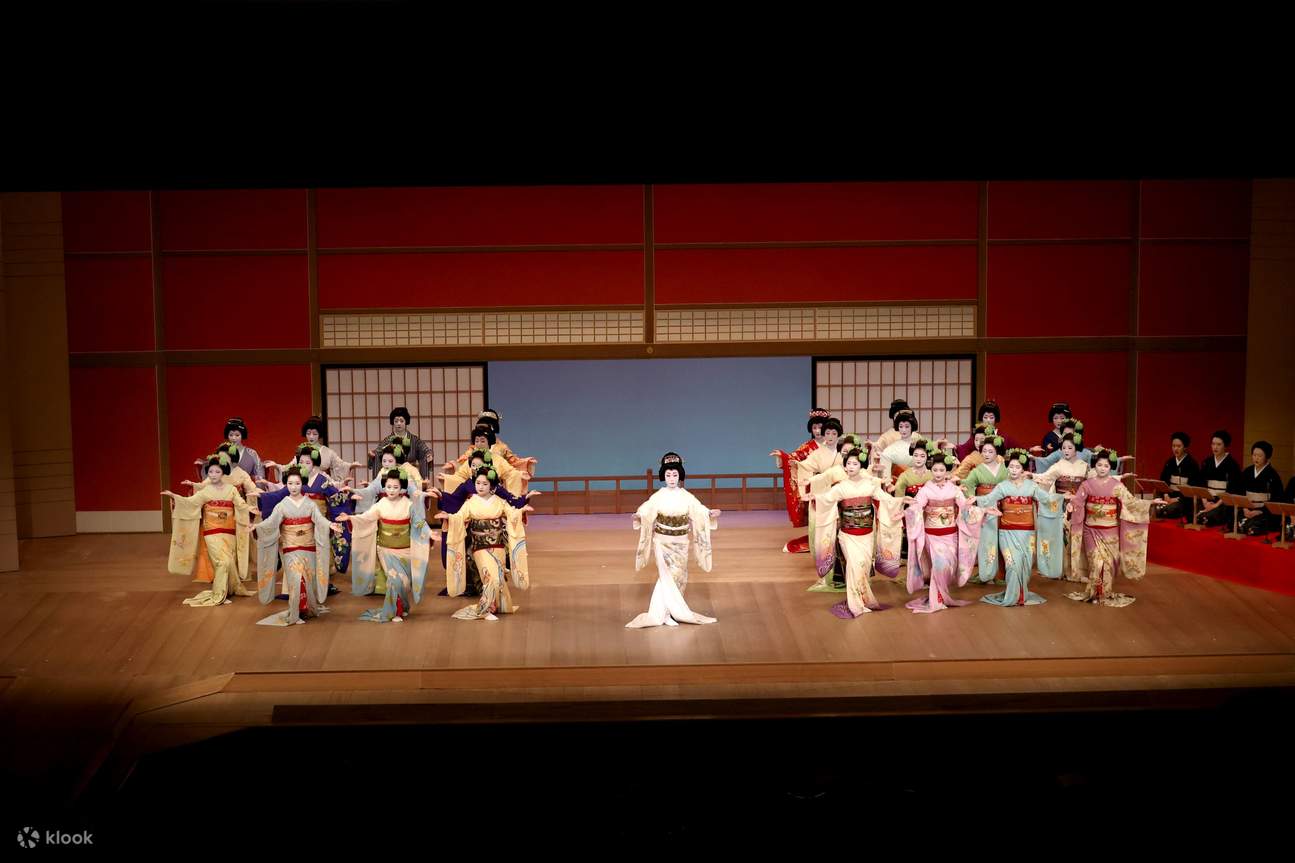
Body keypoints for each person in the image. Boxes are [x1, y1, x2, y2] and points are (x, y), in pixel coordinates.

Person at [626, 453, 721, 628]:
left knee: (680, 576)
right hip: (662, 542)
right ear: (663, 476)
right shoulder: (659, 496)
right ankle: (664, 613)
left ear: (680, 476)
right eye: (668, 475)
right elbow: (647, 509)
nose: (671, 478)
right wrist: (639, 515)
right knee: (667, 576)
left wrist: (708, 513)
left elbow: (698, 509)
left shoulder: (686, 496)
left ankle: (670, 612)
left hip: (681, 541)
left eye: (675, 475)